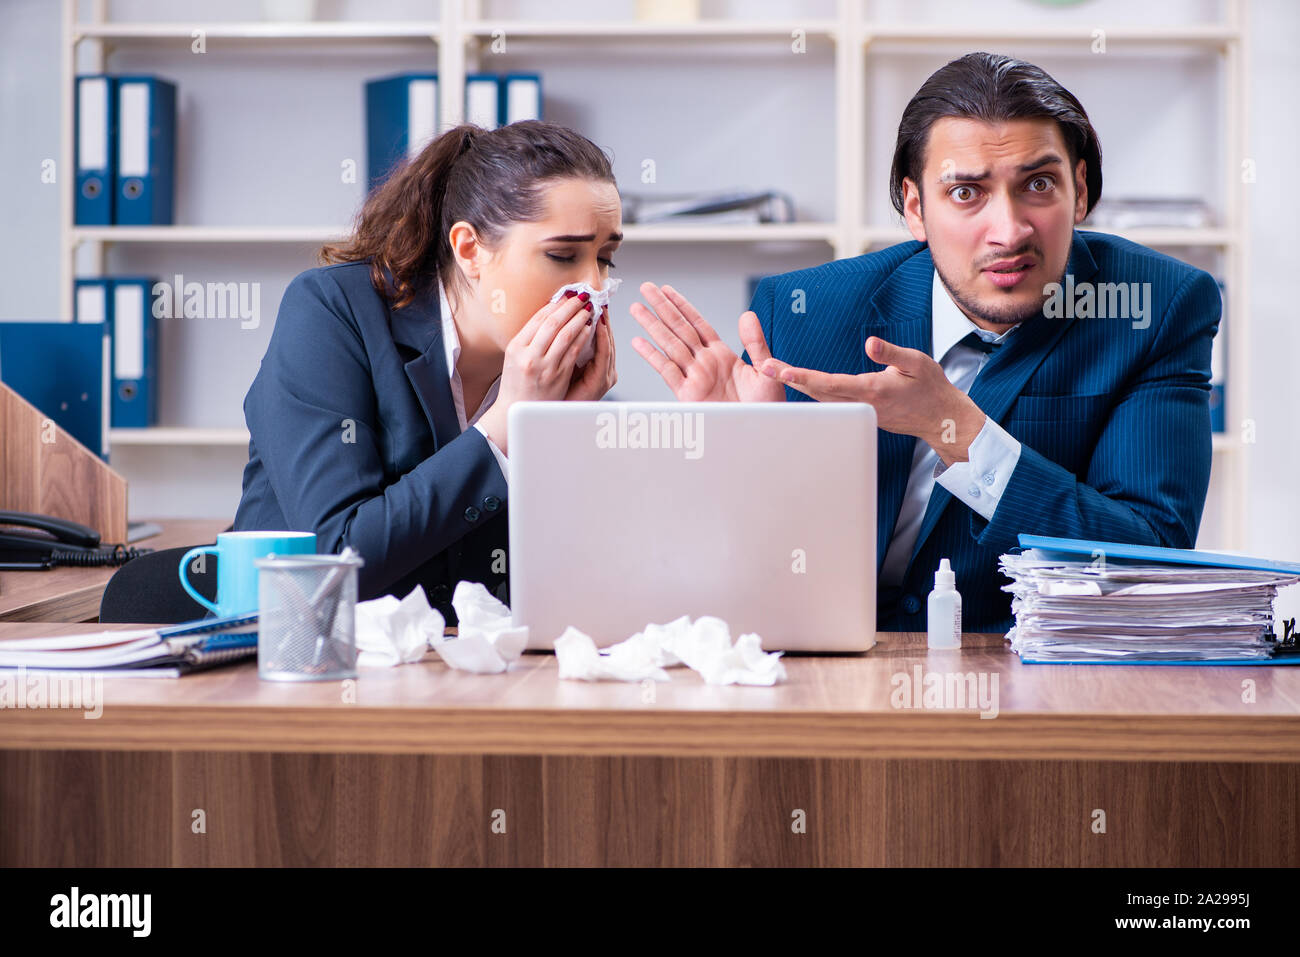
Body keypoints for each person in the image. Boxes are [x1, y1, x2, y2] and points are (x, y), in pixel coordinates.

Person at [628, 52, 1221, 634]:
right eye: (966, 192)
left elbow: (1150, 562)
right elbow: (740, 583)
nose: (1009, 231)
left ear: (1081, 190)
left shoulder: (1156, 308)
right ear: (915, 208)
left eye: (1039, 184)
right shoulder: (802, 314)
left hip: (1028, 679)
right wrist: (737, 465)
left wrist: (962, 435)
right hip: (832, 669)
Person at [233, 121, 621, 623]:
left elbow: (576, 580)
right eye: (563, 255)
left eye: (606, 258)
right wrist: (507, 426)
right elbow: (338, 559)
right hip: (303, 655)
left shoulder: (562, 382)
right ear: (469, 250)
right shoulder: (332, 311)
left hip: (463, 672)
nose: (592, 285)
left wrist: (561, 435)